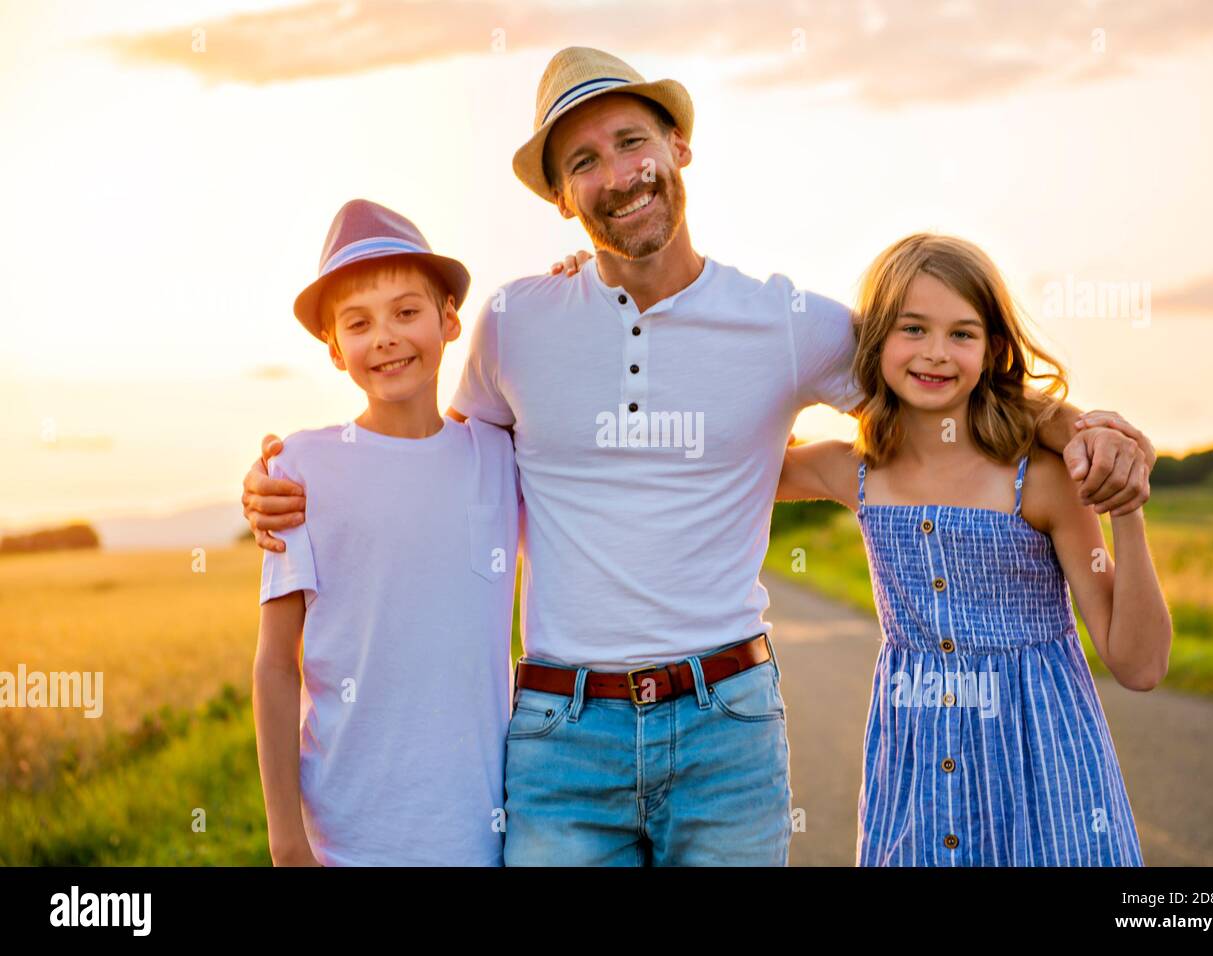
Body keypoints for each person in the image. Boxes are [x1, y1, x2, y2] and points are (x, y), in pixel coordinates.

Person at [243, 48, 1156, 867]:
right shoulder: (514, 324)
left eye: (632, 143)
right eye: (583, 163)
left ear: (680, 148)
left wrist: (1086, 429)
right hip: (561, 737)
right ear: (562, 200)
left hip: (727, 726)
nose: (617, 175)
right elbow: (444, 462)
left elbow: (941, 374)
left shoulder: (785, 324)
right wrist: (293, 484)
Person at [778, 233, 1172, 865]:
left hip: (1045, 778)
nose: (936, 353)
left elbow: (1140, 666)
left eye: (962, 334)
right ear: (875, 340)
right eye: (912, 328)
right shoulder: (849, 470)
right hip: (915, 788)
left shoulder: (1042, 482)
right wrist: (599, 286)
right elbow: (725, 455)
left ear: (992, 350)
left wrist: (1127, 509)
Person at [252, 199, 519, 866]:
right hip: (347, 838)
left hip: (480, 831)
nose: (387, 337)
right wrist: (286, 841)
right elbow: (274, 663)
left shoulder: (500, 454)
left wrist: (577, 280)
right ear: (335, 349)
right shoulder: (299, 469)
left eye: (407, 312)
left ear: (449, 320)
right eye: (359, 324)